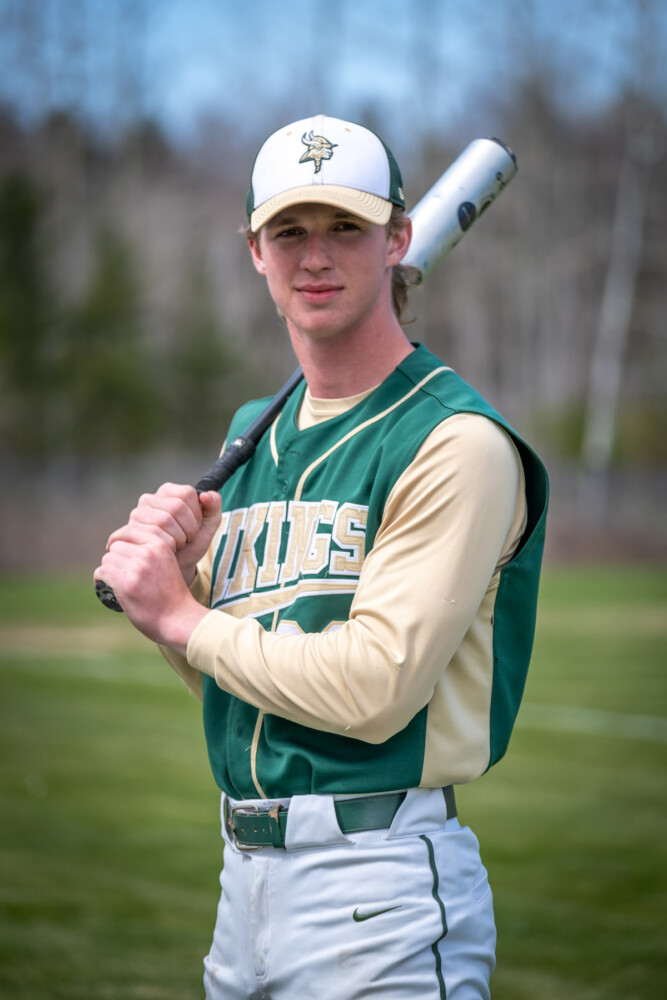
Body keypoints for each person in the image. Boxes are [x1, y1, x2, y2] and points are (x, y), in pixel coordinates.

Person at [95, 113, 549, 999]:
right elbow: (242, 683)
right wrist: (169, 601)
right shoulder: (253, 436)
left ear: (398, 240)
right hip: (243, 886)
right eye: (289, 232)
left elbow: (374, 689)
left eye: (346, 227)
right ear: (254, 252)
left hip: (378, 888)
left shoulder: (452, 443)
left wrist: (184, 618)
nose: (316, 257)